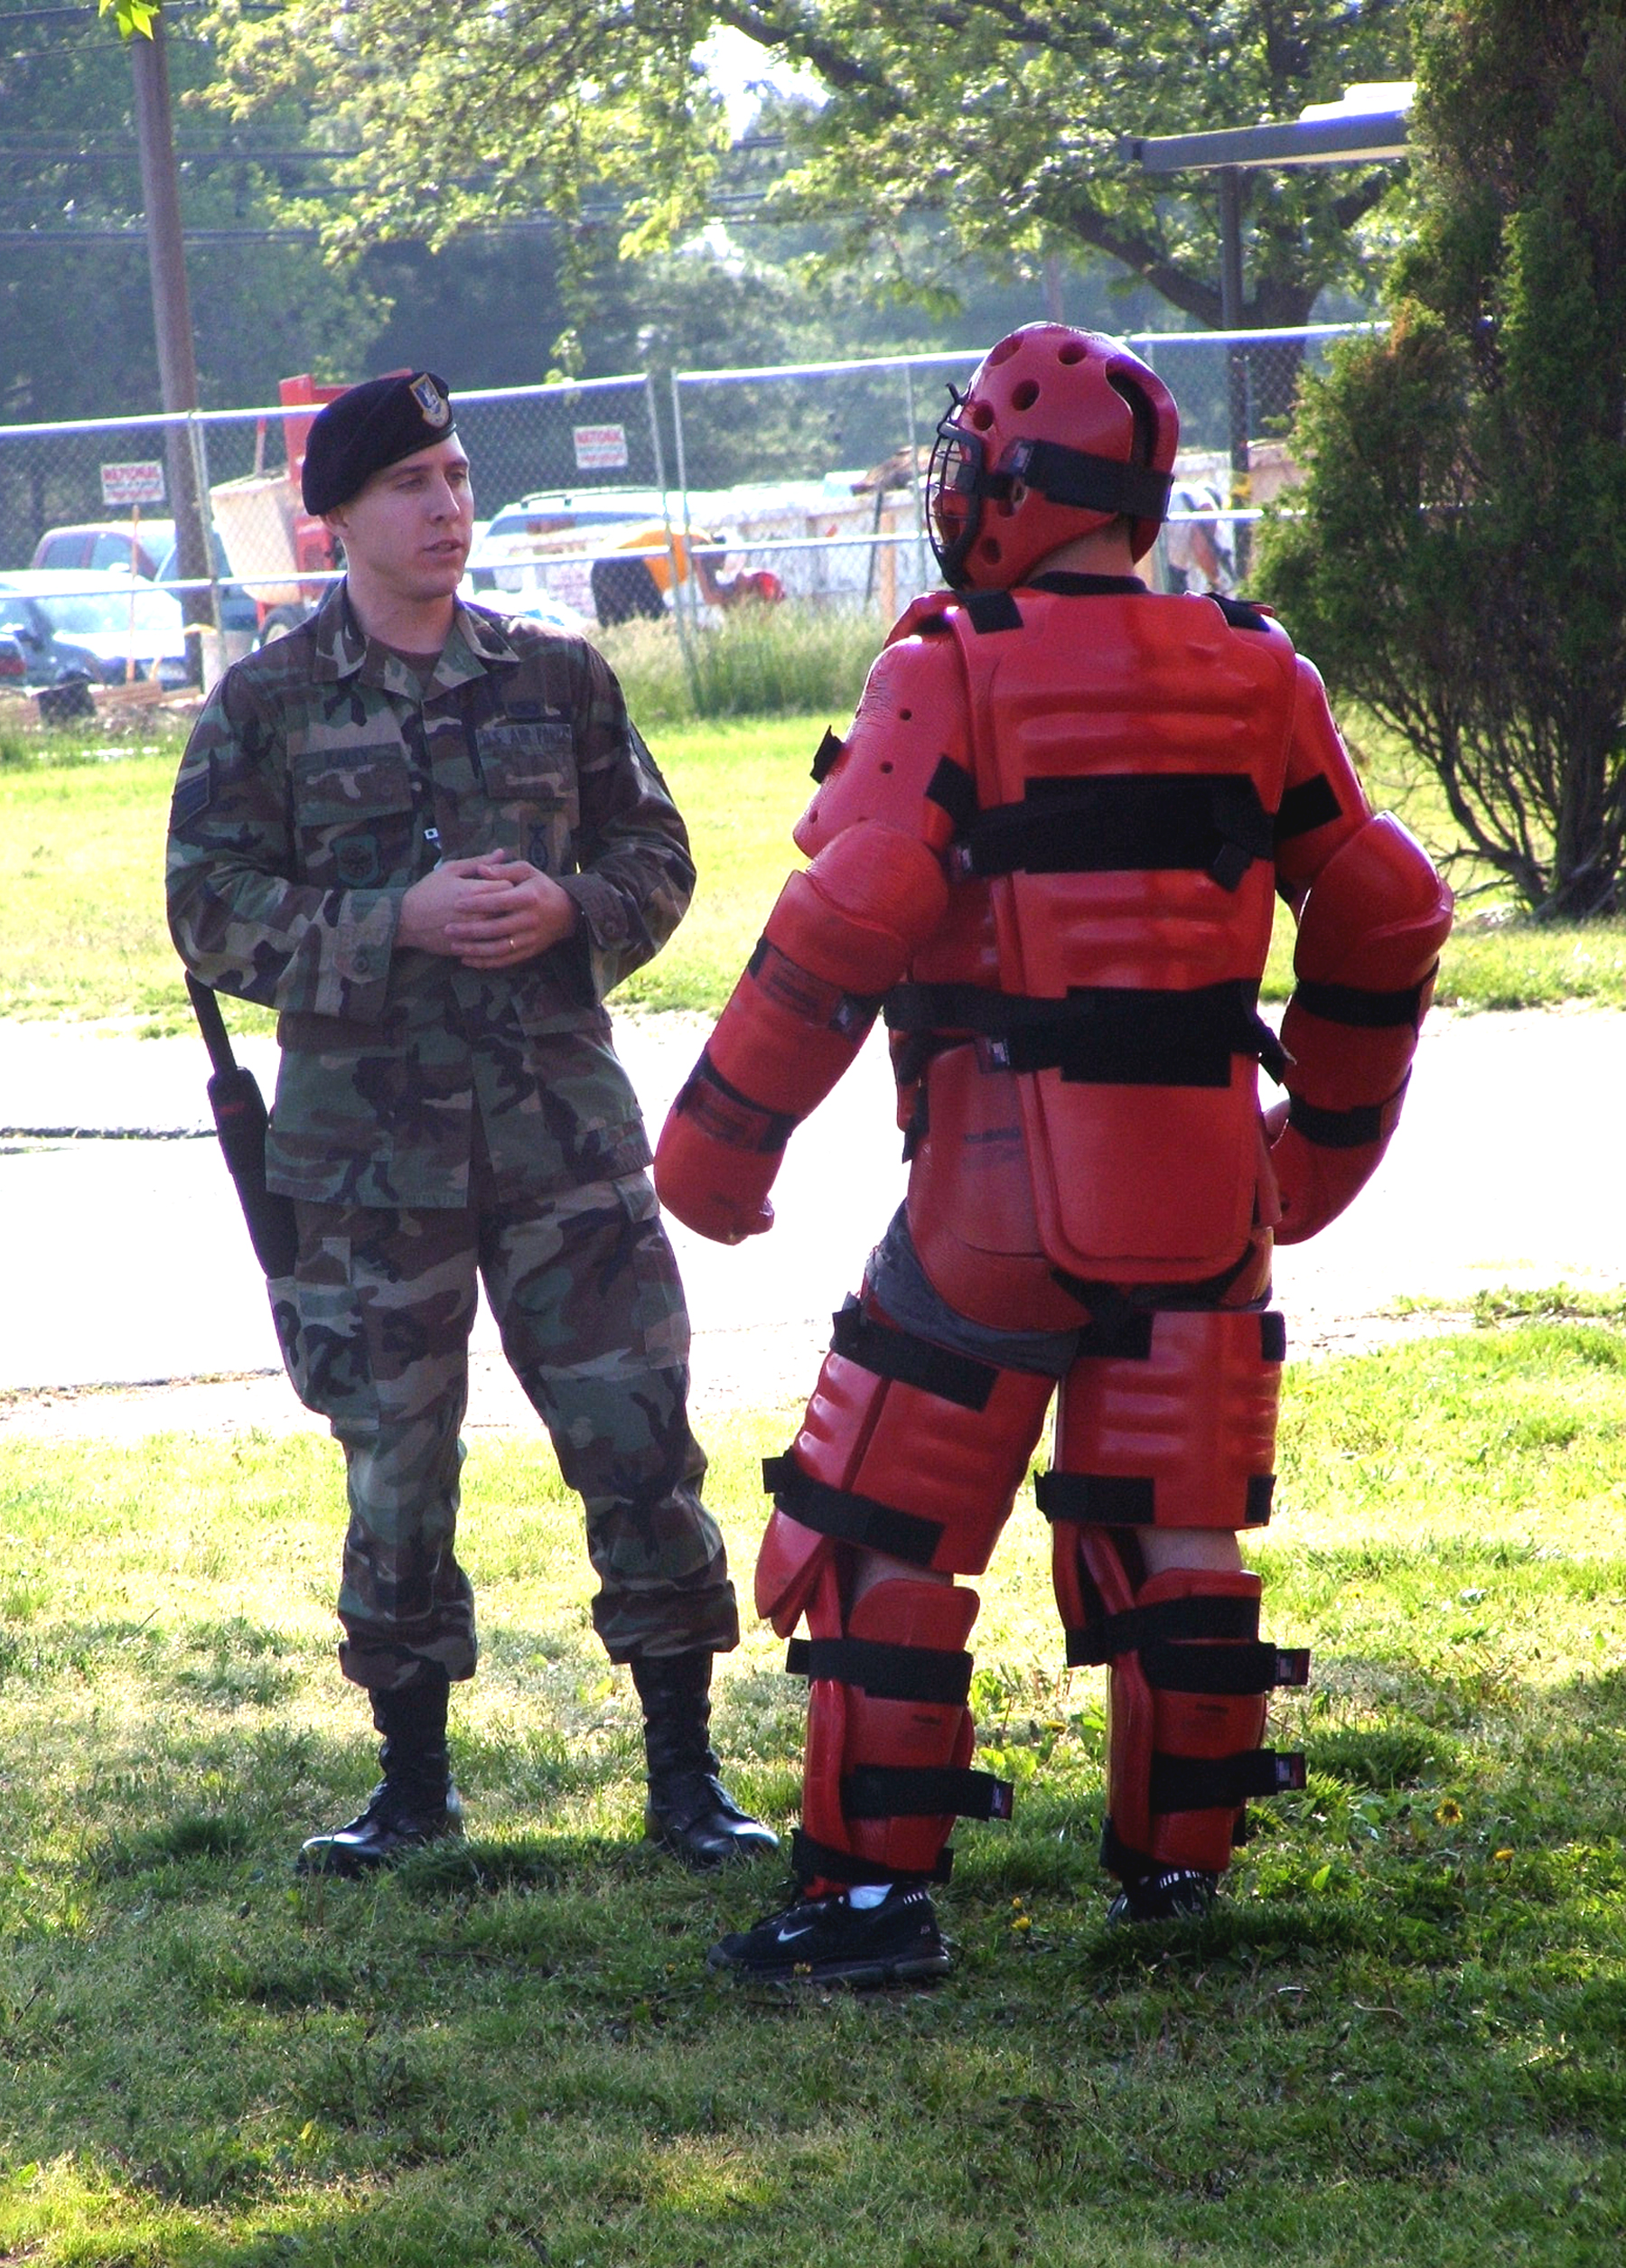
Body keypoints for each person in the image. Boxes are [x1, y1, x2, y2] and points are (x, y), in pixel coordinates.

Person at [653, 324, 1453, 1983]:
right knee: (1175, 1528)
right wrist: (1320, 1147)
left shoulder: (947, 660)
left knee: (879, 1527)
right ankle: (1179, 1889)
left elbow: (859, 901)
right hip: (1205, 1184)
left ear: (1018, 485)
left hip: (994, 1195)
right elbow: (1381, 903)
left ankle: (870, 1905)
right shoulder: (1260, 666)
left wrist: (716, 1150)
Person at [166, 370, 775, 1879]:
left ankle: (687, 1781)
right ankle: (414, 1788)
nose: (447, 508)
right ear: (340, 522)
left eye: (453, 477)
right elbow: (206, 907)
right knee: (396, 1466)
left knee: (637, 1439)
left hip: (564, 1139)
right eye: (410, 488)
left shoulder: (557, 676)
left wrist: (574, 907)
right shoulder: (268, 705)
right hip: (368, 1164)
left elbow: (657, 847)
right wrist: (396, 925)